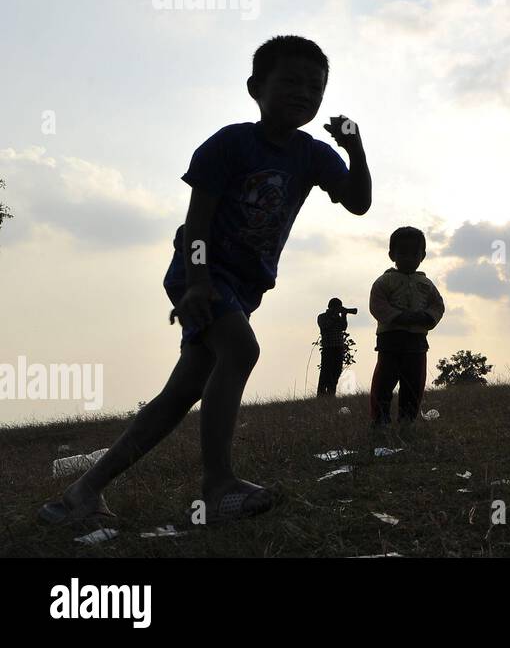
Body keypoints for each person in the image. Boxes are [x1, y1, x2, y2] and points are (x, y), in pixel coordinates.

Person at [39, 35, 372, 525]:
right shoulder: (230, 143)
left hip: (244, 286)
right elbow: (198, 222)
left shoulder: (314, 155)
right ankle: (217, 487)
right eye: (291, 82)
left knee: (178, 396)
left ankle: (83, 492)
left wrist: (355, 145)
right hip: (202, 273)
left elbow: (358, 201)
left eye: (315, 88)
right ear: (256, 87)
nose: (304, 93)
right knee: (241, 350)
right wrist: (196, 283)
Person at [368, 226, 445, 425]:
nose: (409, 258)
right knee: (384, 381)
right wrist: (398, 317)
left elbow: (438, 305)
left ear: (423, 255)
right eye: (403, 253)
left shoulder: (426, 284)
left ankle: (407, 420)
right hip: (390, 339)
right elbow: (377, 305)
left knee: (414, 382)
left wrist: (428, 318)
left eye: (414, 253)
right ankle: (380, 420)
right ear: (392, 254)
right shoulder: (384, 281)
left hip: (417, 341)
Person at [317, 297, 358, 397]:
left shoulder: (338, 317)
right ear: (331, 308)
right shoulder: (322, 317)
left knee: (336, 372)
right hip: (328, 348)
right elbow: (325, 326)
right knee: (325, 372)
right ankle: (321, 394)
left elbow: (343, 327)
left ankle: (331, 393)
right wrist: (334, 316)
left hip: (338, 348)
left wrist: (344, 315)